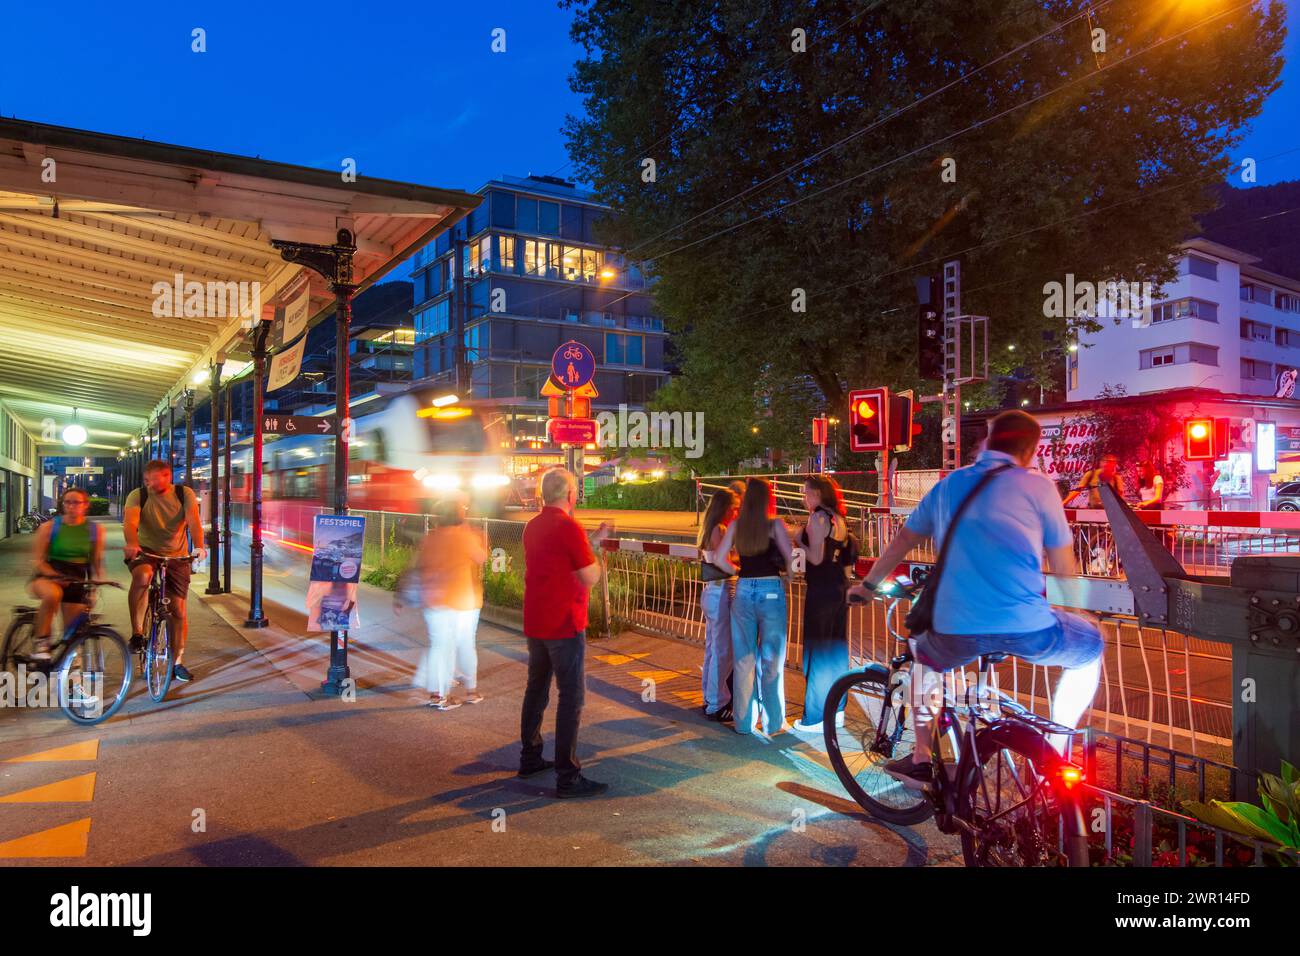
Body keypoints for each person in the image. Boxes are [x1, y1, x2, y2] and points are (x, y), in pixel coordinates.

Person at [849, 410, 1103, 787]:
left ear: (988, 438)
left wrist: (867, 587)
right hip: (1027, 627)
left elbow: (904, 540)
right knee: (1091, 648)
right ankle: (1056, 745)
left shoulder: (950, 485)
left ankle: (921, 758)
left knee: (922, 653)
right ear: (1030, 450)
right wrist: (1075, 613)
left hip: (956, 631)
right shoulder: (1039, 486)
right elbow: (1064, 562)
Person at [518, 468, 612, 798]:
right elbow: (589, 577)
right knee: (571, 697)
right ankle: (567, 776)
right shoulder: (568, 527)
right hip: (565, 623)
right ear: (571, 494)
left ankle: (529, 757)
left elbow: (559, 556)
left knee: (537, 689)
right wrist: (596, 558)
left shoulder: (533, 525)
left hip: (536, 621)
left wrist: (592, 540)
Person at [712, 478, 794, 739]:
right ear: (767, 499)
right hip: (771, 591)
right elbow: (791, 560)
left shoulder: (737, 525)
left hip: (744, 590)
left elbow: (717, 558)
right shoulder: (775, 525)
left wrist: (736, 570)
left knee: (744, 658)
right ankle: (772, 723)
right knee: (771, 660)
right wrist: (788, 578)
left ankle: (744, 723)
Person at [122, 460, 206, 683]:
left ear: (168, 476)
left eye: (155, 480)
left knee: (178, 610)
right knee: (143, 576)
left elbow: (194, 521)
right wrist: (132, 543)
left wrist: (199, 546)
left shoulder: (183, 493)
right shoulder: (137, 495)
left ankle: (177, 661)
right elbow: (130, 523)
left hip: (177, 554)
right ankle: (138, 633)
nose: (150, 484)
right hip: (146, 550)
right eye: (147, 480)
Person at [792, 475, 855, 734]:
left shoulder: (818, 518)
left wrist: (798, 540)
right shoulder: (837, 518)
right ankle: (837, 709)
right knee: (835, 650)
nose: (804, 498)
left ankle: (815, 716)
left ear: (817, 493)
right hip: (839, 588)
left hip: (821, 590)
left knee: (817, 651)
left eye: (806, 493)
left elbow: (816, 558)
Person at [415, 495, 488, 711]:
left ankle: (438, 695)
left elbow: (421, 565)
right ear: (460, 516)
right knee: (466, 644)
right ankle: (471, 691)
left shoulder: (430, 538)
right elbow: (481, 558)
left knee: (439, 646)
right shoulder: (465, 537)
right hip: (463, 600)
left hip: (434, 600)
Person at [26, 488, 105, 662]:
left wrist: (96, 585)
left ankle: (72, 674)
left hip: (76, 579)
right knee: (53, 594)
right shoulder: (49, 527)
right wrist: (55, 576)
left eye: (76, 502)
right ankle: (41, 643)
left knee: (72, 633)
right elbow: (39, 561)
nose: (71, 506)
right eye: (67, 502)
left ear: (85, 505)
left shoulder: (94, 530)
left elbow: (96, 561)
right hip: (47, 576)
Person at [698, 488, 739, 722]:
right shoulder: (720, 529)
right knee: (723, 651)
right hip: (722, 590)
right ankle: (717, 702)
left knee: (713, 648)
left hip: (711, 592)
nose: (735, 510)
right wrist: (740, 571)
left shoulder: (708, 528)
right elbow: (723, 561)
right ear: (724, 507)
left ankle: (709, 697)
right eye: (733, 506)